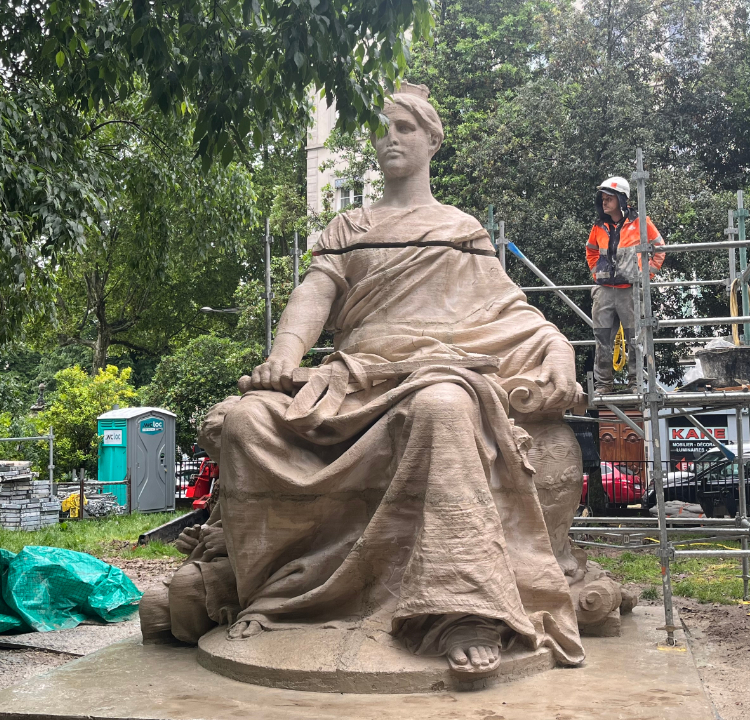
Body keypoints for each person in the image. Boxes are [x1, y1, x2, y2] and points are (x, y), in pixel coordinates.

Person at [157, 84, 585, 678]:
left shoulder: (459, 228)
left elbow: (512, 312)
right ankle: (279, 594)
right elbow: (314, 293)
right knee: (249, 421)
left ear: (433, 141)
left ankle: (462, 609)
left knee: (443, 406)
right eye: (381, 129)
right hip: (353, 379)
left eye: (405, 127)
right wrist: (283, 357)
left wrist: (559, 351)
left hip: (436, 371)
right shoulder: (348, 225)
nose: (390, 138)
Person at [585, 177, 665, 391]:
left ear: (621, 199)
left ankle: (635, 383)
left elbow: (659, 248)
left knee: (635, 340)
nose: (604, 202)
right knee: (602, 340)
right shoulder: (598, 226)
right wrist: (596, 273)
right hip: (604, 291)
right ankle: (603, 385)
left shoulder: (641, 222)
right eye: (602, 198)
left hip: (630, 292)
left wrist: (645, 276)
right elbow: (591, 250)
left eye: (609, 198)